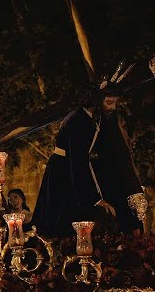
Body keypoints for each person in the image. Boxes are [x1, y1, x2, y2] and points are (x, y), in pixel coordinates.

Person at [31, 90, 145, 239]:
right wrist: (95, 199)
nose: (112, 108)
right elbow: (78, 162)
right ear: (97, 99)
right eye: (109, 103)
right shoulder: (78, 121)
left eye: (115, 103)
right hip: (63, 175)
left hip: (69, 170)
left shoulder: (88, 118)